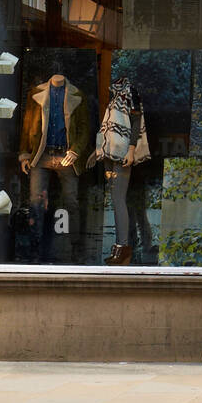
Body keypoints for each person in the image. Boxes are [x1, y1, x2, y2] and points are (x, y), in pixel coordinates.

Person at [18, 73, 89, 264]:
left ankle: (76, 250)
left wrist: (76, 151)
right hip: (41, 154)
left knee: (72, 202)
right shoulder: (36, 93)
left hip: (66, 155)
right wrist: (25, 153)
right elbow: (27, 125)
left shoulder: (78, 95)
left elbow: (84, 129)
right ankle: (35, 251)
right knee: (35, 203)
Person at [87, 76, 151, 266]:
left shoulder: (129, 93)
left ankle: (123, 248)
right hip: (109, 152)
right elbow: (106, 128)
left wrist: (131, 150)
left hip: (122, 153)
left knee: (118, 199)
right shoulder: (115, 97)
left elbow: (136, 121)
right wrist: (97, 151)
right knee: (116, 200)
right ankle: (121, 248)